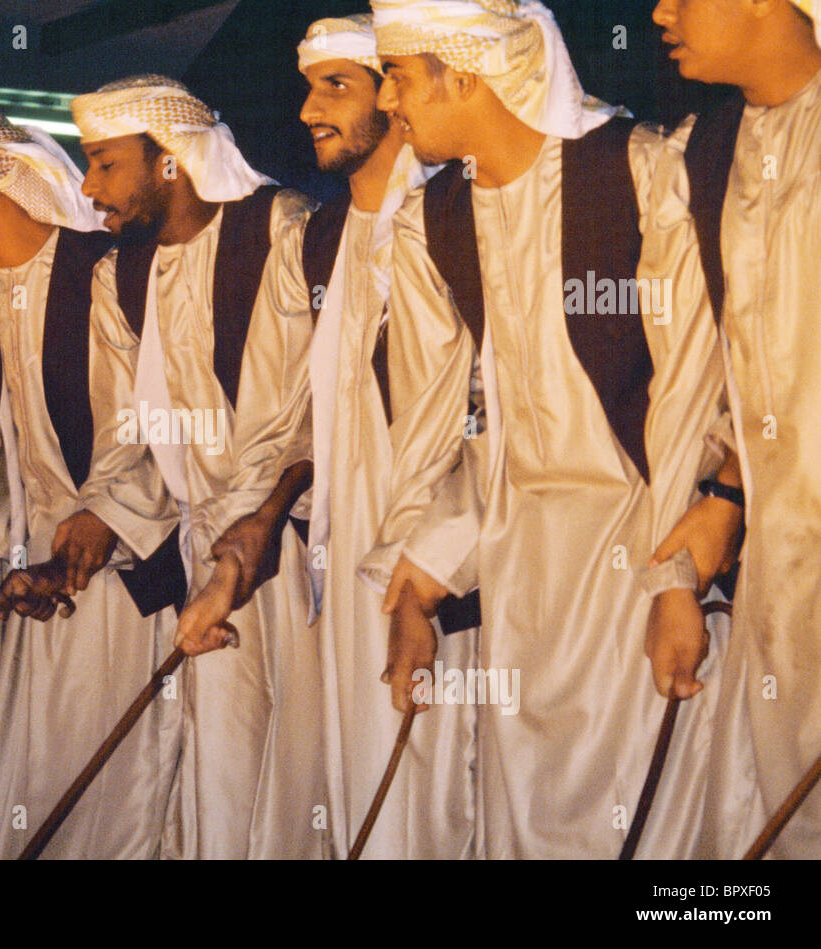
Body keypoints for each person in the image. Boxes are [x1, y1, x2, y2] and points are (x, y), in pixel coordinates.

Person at [365, 0, 728, 857]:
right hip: (521, 575)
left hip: (638, 558)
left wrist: (677, 579)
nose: (388, 102)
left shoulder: (637, 172)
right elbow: (454, 435)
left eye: (400, 76)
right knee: (520, 822)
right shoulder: (434, 218)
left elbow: (694, 394)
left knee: (656, 823)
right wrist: (418, 583)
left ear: (467, 74)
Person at [0, 103, 182, 859]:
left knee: (117, 796)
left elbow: (163, 427)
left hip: (128, 581)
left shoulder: (107, 273)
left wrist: (102, 515)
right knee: (32, 788)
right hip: (41, 583)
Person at [73, 75, 326, 858]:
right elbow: (125, 434)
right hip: (203, 548)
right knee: (222, 762)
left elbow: (315, 408)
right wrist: (97, 513)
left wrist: (253, 527)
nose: (90, 190)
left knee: (305, 764)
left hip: (293, 542)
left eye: (107, 165)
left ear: (171, 161)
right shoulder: (118, 276)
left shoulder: (281, 229)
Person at [292, 13, 479, 859]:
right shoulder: (321, 237)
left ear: (397, 101)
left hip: (444, 564)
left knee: (438, 790)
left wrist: (427, 565)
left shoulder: (452, 218)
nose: (309, 109)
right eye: (308, 86)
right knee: (356, 778)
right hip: (343, 556)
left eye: (338, 86)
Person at [649, 0, 821, 858]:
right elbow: (743, 370)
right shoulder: (707, 152)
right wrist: (723, 491)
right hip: (776, 591)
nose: (658, 12)